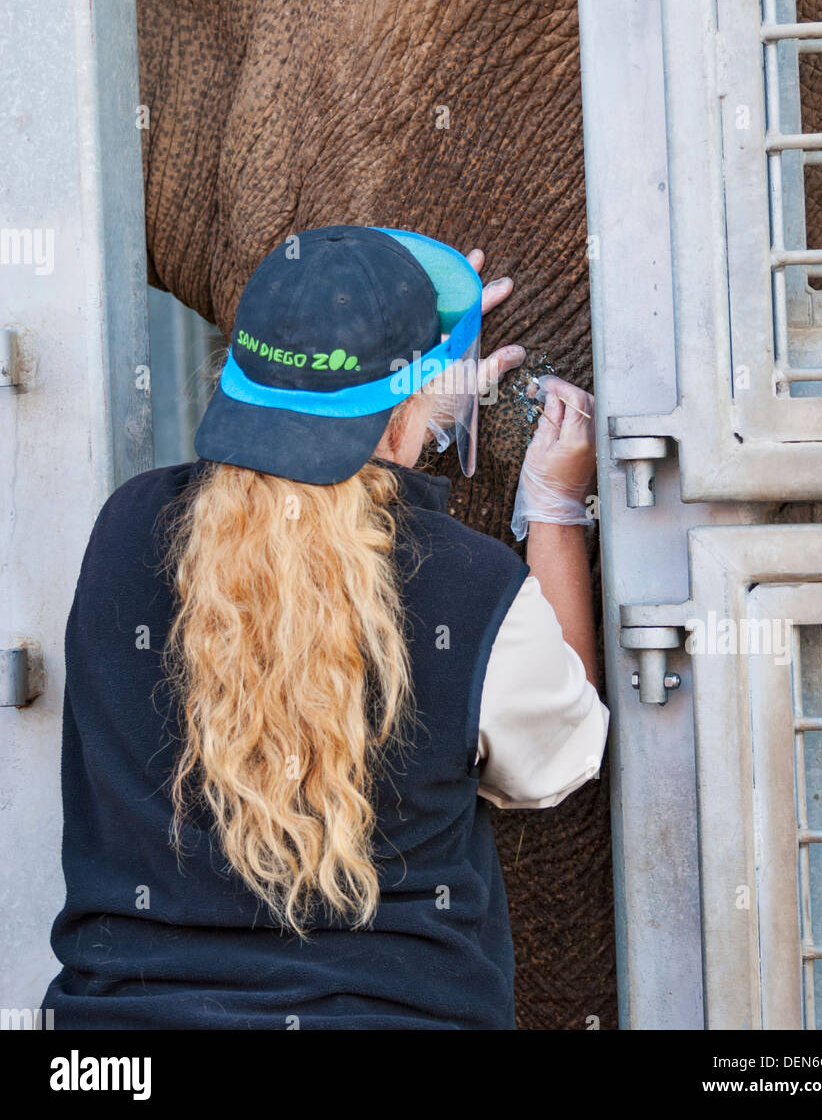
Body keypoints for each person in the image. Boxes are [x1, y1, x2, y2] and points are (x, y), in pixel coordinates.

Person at [41, 224, 607, 1031]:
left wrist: (392, 422)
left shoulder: (126, 528)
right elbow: (560, 760)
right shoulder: (472, 586)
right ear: (409, 407)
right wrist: (553, 511)